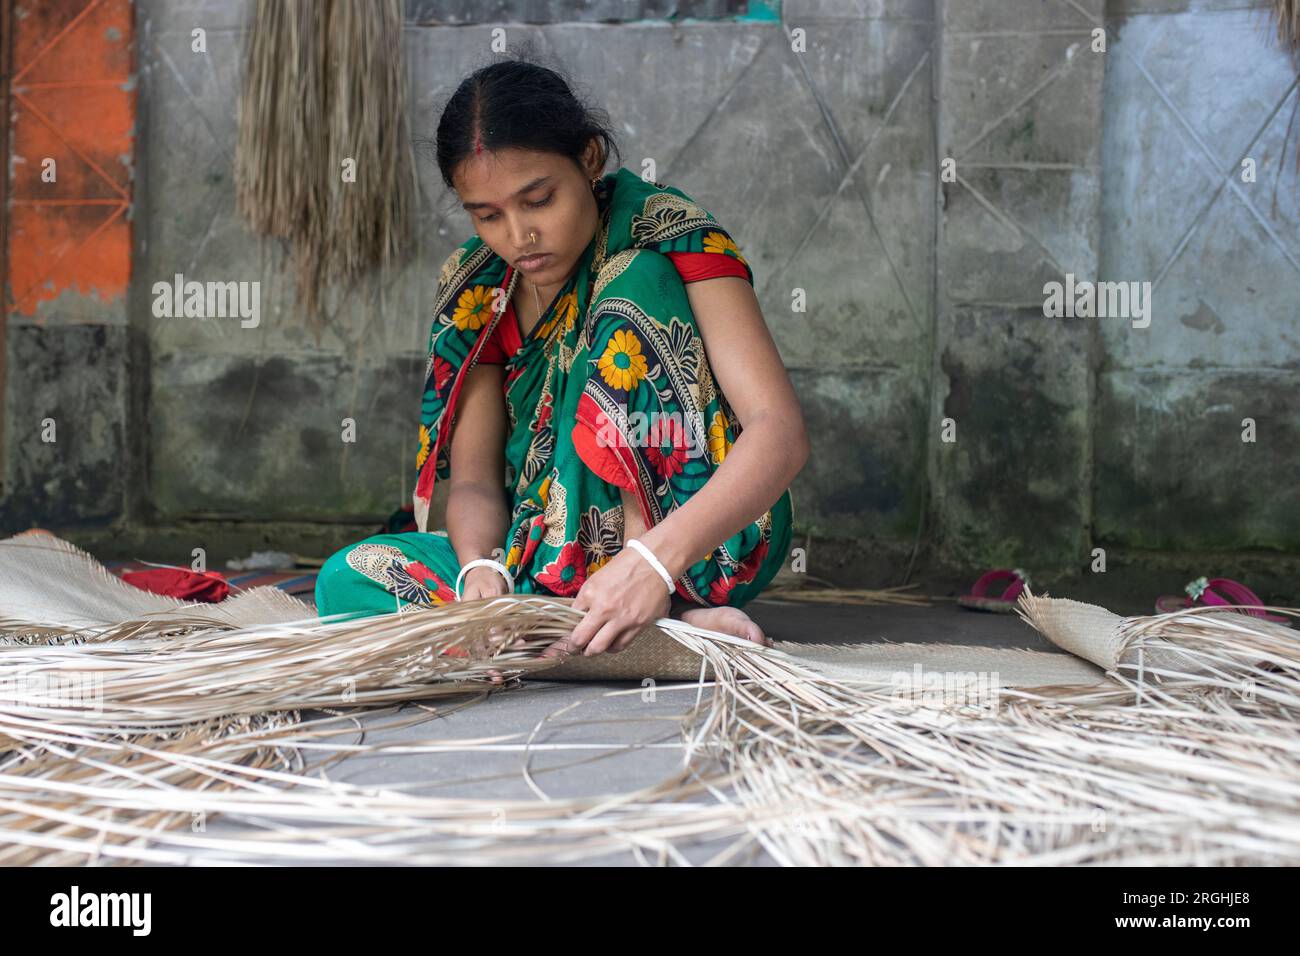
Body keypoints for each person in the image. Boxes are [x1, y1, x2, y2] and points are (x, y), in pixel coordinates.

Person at [315, 57, 809, 658]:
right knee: (349, 577)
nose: (518, 235)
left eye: (538, 200)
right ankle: (622, 632)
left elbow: (778, 433)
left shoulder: (668, 234)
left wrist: (651, 562)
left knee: (633, 280)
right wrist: (478, 573)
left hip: (697, 541)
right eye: (487, 215)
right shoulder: (482, 288)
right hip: (542, 552)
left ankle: (646, 606)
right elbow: (473, 481)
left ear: (591, 159)